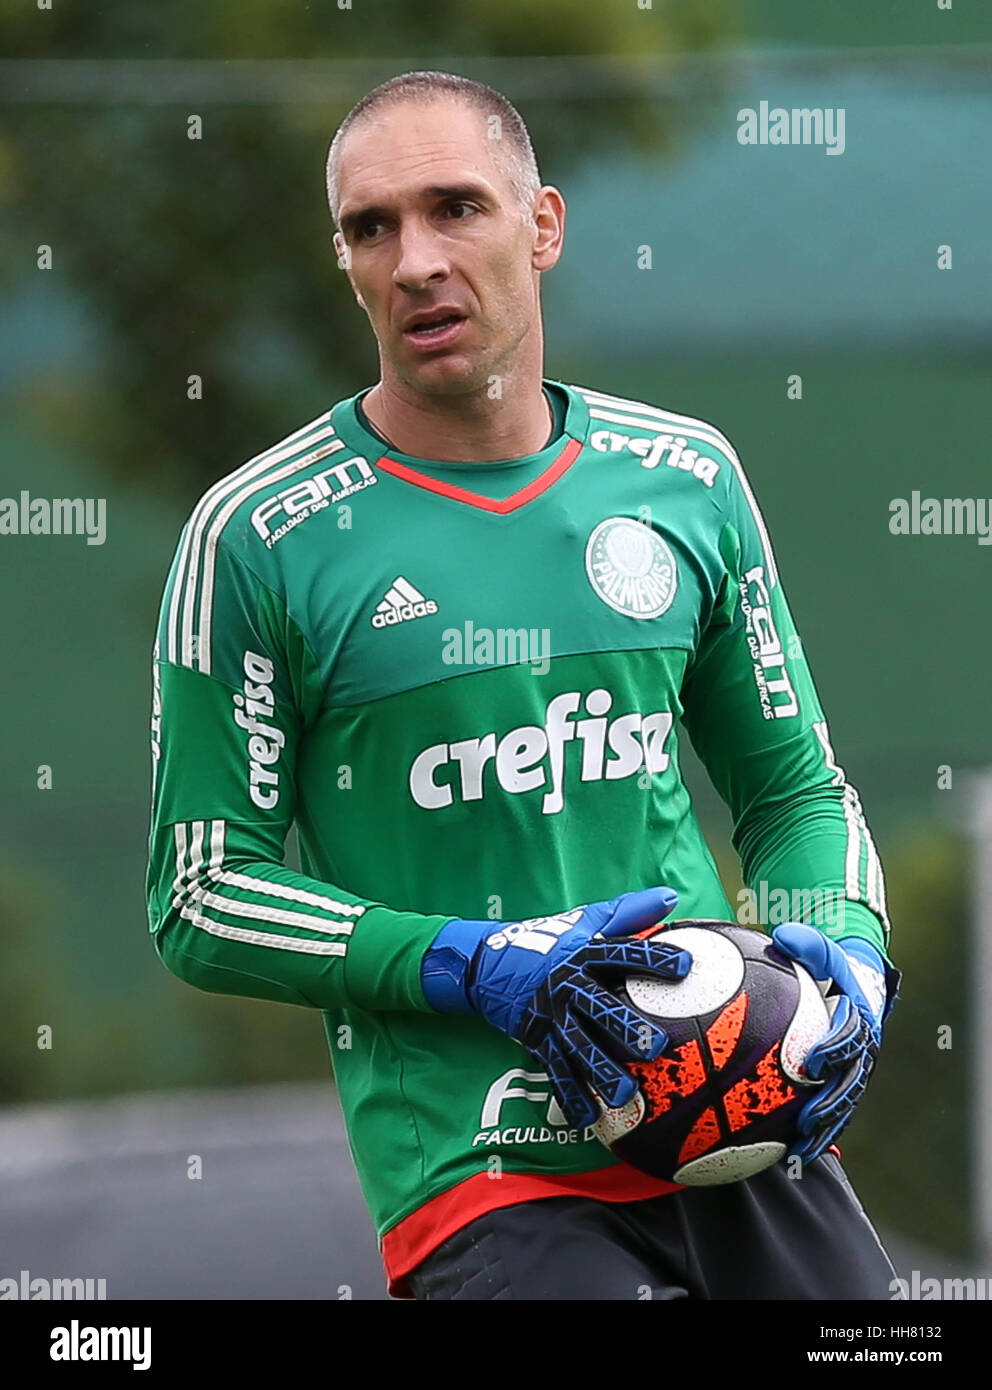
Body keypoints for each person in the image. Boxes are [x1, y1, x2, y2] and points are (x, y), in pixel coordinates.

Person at [146, 70, 901, 1300]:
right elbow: (202, 891)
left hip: (726, 1111)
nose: (414, 262)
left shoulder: (684, 478)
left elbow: (792, 791)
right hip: (479, 1163)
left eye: (456, 208)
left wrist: (850, 959)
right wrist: (468, 957)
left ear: (541, 225)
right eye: (370, 228)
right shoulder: (260, 537)